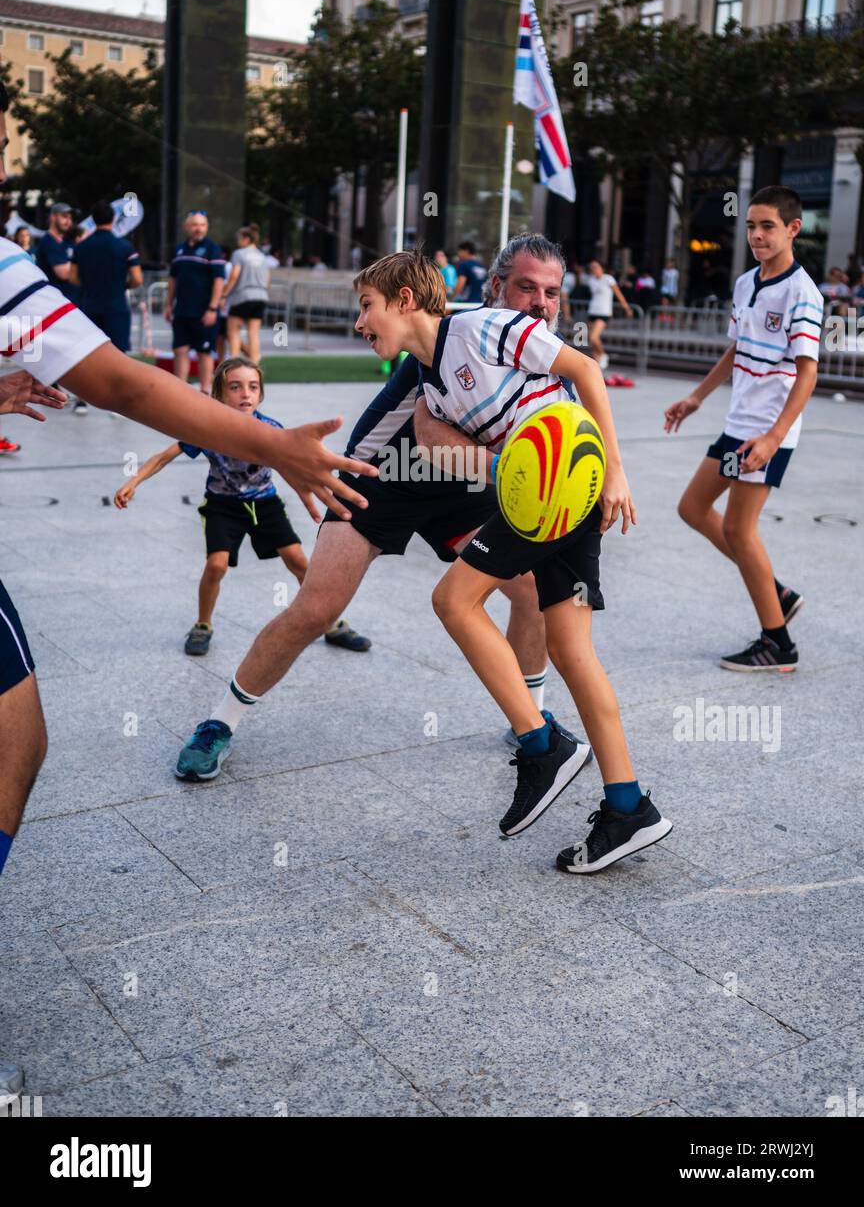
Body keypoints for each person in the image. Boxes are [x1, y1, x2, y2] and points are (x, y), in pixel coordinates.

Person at [0, 76, 378, 1105]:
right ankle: (228, 637)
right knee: (16, 744)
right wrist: (269, 446)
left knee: (20, 744)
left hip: (255, 505)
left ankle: (307, 628)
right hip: (232, 496)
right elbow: (122, 383)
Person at [173, 236, 569, 784]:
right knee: (316, 609)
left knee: (528, 589)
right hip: (381, 477)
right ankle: (220, 722)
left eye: (551, 293)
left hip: (462, 484)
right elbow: (405, 428)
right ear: (496, 287)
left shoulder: (538, 349)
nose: (540, 303)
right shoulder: (455, 335)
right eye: (527, 287)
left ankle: (533, 717)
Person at [354, 249, 671, 873]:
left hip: (560, 481)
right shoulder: (434, 388)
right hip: (547, 496)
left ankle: (541, 744)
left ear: (405, 300)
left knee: (453, 599)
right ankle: (629, 807)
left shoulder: (482, 325)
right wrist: (480, 461)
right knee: (574, 653)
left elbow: (586, 369)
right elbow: (455, 455)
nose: (360, 323)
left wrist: (615, 470)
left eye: (367, 307)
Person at [114, 357, 370, 664]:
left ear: (260, 394)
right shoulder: (206, 430)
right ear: (219, 395)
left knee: (299, 560)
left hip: (264, 503)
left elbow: (305, 461)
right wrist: (135, 481)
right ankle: (202, 624)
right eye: (235, 388)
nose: (245, 394)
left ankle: (331, 622)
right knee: (217, 565)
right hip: (222, 506)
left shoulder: (271, 429)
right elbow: (163, 456)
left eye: (252, 387)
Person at [664, 186, 823, 671]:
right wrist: (697, 396)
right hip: (738, 424)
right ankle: (774, 591)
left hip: (767, 432)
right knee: (693, 507)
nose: (756, 234)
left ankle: (778, 642)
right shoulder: (745, 282)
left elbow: (808, 371)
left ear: (793, 228)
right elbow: (737, 350)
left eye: (767, 226)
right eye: (751, 226)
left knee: (739, 527)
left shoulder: (803, 293)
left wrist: (774, 436)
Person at [165, 210, 225, 395]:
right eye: (195, 224)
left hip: (203, 312)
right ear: (187, 227)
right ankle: (180, 391)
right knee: (180, 350)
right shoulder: (179, 250)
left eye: (202, 225)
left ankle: (205, 391)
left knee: (204, 352)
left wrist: (212, 308)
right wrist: (169, 304)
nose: (199, 228)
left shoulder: (212, 250)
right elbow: (173, 279)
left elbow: (219, 281)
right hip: (182, 311)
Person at [70, 198, 143, 348]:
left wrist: (89, 284)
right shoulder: (125, 247)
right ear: (114, 218)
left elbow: (72, 277)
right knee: (118, 356)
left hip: (89, 307)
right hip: (116, 308)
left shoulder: (81, 247)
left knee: (91, 354)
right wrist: (124, 285)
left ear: (94, 219)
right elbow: (137, 279)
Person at [223, 225, 270, 363]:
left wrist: (224, 294)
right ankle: (255, 367)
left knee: (233, 331)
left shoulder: (239, 254)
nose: (238, 241)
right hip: (261, 296)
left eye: (239, 238)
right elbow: (267, 278)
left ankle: (234, 365)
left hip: (243, 296)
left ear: (246, 239)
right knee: (253, 333)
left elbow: (234, 276)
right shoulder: (262, 256)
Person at [585, 259, 632, 370]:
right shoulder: (591, 280)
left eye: (596, 267)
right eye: (592, 267)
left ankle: (603, 355)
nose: (593, 269)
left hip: (604, 312)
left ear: (602, 268)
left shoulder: (608, 279)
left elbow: (618, 294)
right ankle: (596, 363)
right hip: (592, 311)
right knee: (591, 340)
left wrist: (626, 307)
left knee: (593, 337)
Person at [34, 202, 75, 301]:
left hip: (72, 301)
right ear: (53, 217)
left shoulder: (68, 241)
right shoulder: (48, 242)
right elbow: (63, 273)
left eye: (70, 218)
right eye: (64, 217)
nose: (68, 221)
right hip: (57, 302)